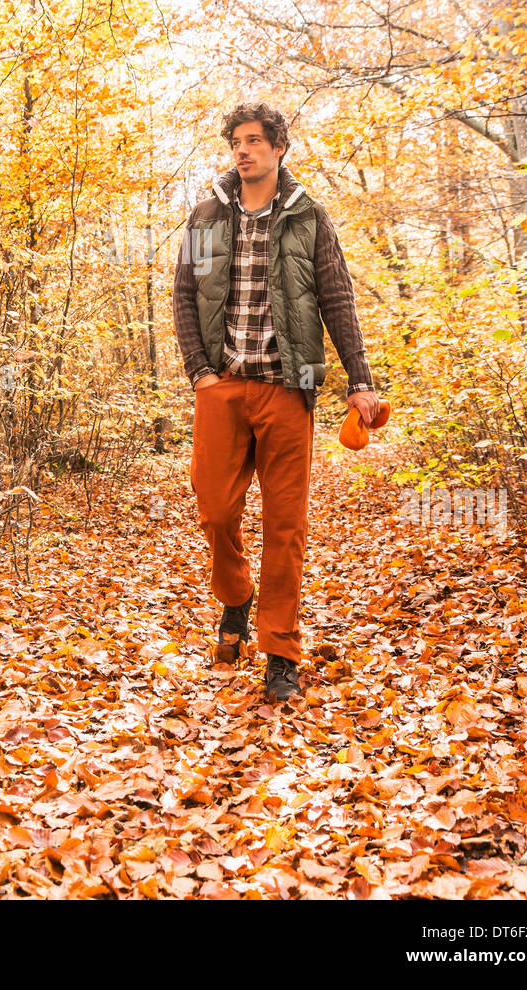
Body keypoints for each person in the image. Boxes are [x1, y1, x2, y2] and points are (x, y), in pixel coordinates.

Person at [172, 102, 379, 701]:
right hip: (223, 387)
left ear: (279, 148)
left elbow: (338, 299)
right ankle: (236, 598)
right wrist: (199, 374)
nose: (244, 149)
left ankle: (280, 650)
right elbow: (185, 296)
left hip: (290, 389)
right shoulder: (208, 216)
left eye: (256, 140)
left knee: (285, 526)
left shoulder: (309, 216)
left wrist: (358, 379)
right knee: (214, 508)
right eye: (236, 140)